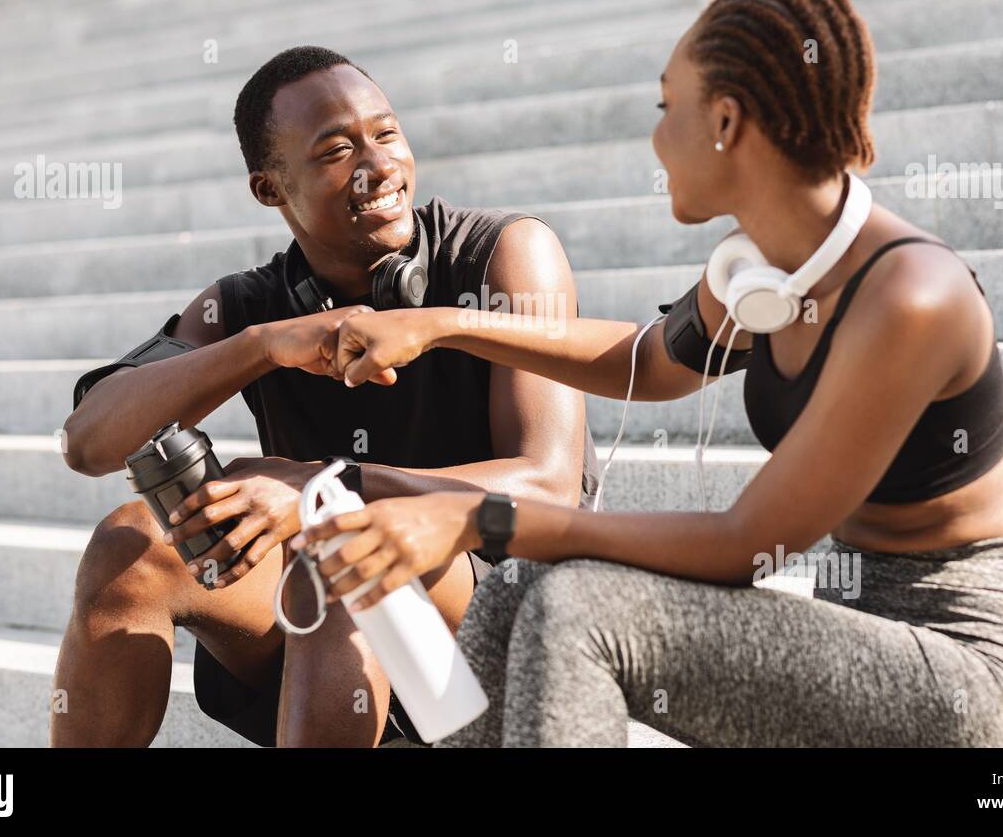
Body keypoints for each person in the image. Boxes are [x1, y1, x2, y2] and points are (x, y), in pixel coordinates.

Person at [298, 0, 1003, 747]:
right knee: (519, 590)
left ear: (726, 120)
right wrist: (439, 325)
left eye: (668, 109)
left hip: (973, 680)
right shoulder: (763, 269)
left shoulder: (910, 298)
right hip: (866, 638)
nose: (657, 138)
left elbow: (744, 545)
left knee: (579, 609)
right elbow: (642, 361)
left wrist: (479, 515)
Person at [52, 45, 595, 748]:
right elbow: (86, 443)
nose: (379, 167)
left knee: (342, 554)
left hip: (501, 613)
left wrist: (324, 492)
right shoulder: (248, 309)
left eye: (388, 133)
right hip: (326, 621)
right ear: (271, 189)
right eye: (337, 150)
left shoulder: (506, 254)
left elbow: (550, 488)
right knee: (128, 545)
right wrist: (258, 347)